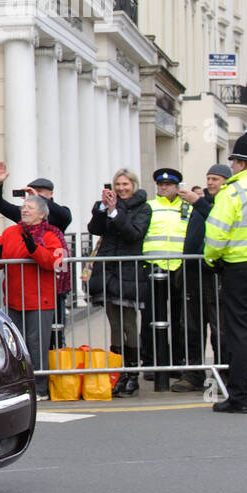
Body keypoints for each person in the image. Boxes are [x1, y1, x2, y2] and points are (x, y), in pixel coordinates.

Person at [203, 131, 247, 413]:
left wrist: (212, 259)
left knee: (239, 333)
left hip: (240, 269)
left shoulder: (233, 191)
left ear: (241, 163)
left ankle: (239, 399)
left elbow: (215, 234)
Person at [0, 196, 66, 399]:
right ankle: (18, 384)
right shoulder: (10, 232)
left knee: (36, 345)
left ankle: (40, 387)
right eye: (23, 207)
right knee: (15, 344)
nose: (24, 210)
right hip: (14, 297)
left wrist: (35, 249)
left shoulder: (50, 235)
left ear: (42, 214)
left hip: (40, 300)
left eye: (30, 208)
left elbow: (54, 262)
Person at [87, 168, 151, 396]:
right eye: (118, 185)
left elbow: (135, 234)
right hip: (108, 270)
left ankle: (133, 373)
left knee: (129, 323)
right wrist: (103, 209)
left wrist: (115, 212)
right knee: (114, 323)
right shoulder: (106, 205)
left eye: (126, 184)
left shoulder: (143, 207)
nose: (122, 189)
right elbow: (94, 229)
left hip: (129, 271)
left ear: (133, 185)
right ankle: (118, 372)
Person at [176, 163, 232, 391]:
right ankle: (193, 374)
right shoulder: (200, 202)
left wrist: (198, 203)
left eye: (216, 179)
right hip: (193, 273)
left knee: (220, 329)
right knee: (191, 327)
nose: (210, 183)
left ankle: (224, 374)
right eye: (209, 178)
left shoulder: (223, 203)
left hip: (215, 274)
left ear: (226, 182)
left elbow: (219, 223)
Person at [140, 167, 190, 392]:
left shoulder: (187, 207)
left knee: (180, 318)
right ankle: (151, 362)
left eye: (168, 185)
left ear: (177, 187)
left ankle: (178, 361)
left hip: (181, 268)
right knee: (152, 317)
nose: (164, 188)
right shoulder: (150, 207)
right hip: (154, 267)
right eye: (161, 185)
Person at [0, 164, 73, 231]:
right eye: (31, 192)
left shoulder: (59, 213)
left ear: (51, 194)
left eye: (39, 191)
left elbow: (65, 216)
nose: (34, 195)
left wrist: (38, 197)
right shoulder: (24, 212)